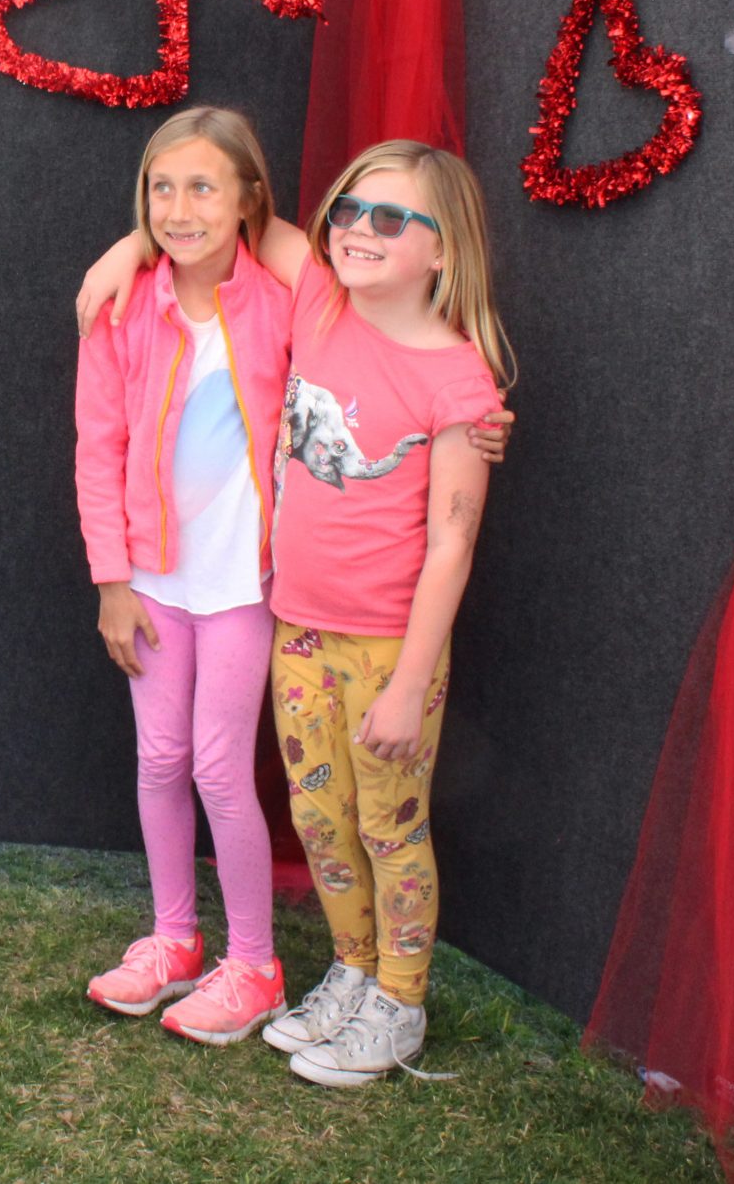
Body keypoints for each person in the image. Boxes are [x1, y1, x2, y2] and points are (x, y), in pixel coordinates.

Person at [256, 141, 510, 1085]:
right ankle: (353, 971)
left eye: (391, 218)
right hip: (300, 633)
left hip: (388, 654)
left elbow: (452, 543)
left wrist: (408, 685)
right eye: (350, 211)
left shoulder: (457, 382)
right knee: (321, 820)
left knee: (388, 827)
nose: (360, 230)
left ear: (442, 250)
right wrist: (124, 252)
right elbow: (246, 200)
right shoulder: (319, 301)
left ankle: (400, 1001)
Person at [75, 108, 294, 1046]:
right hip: (154, 582)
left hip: (246, 586)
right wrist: (111, 580)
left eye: (203, 186)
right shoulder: (123, 306)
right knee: (158, 761)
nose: (177, 208)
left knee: (218, 766)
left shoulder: (285, 297)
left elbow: (358, 313)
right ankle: (174, 938)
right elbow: (97, 446)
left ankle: (256, 964)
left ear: (248, 197)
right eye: (159, 189)